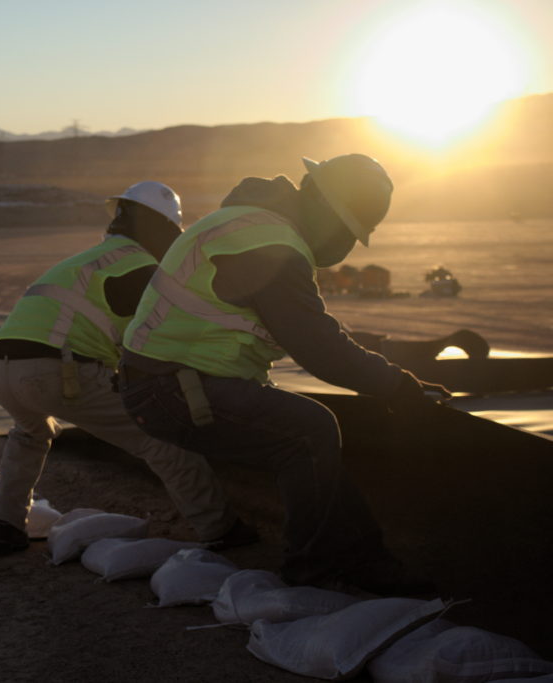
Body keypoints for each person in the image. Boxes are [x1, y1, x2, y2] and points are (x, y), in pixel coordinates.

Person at [118, 154, 450, 595]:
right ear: (326, 210)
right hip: (170, 388)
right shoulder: (268, 242)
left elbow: (317, 329)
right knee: (310, 431)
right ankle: (310, 571)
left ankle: (367, 559)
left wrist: (391, 367)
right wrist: (398, 388)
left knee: (314, 447)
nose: (342, 246)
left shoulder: (247, 224)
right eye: (347, 231)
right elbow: (318, 346)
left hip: (167, 383)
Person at [0, 181, 255, 554]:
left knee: (29, 435)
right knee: (159, 439)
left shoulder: (85, 260)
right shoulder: (138, 267)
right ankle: (220, 528)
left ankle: (4, 525)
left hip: (3, 370)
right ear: (161, 229)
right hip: (59, 370)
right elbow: (159, 340)